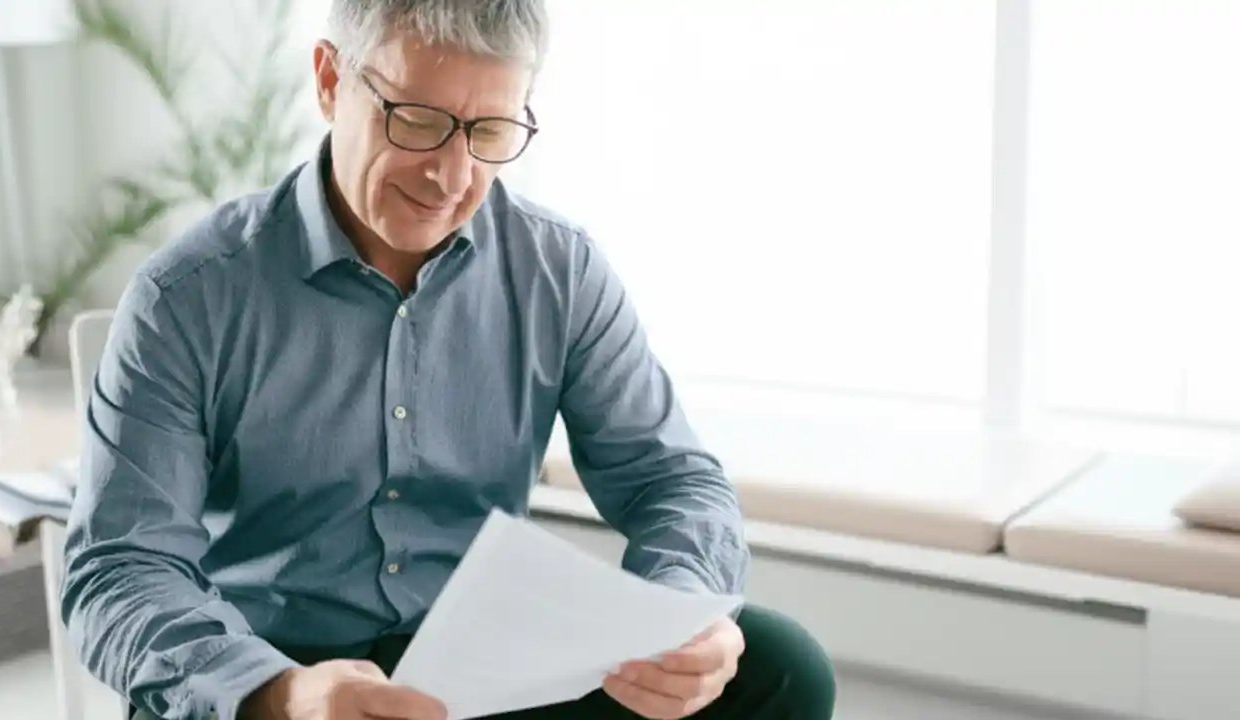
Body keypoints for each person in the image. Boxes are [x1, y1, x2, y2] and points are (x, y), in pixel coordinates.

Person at [61, 1, 836, 718]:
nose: (452, 175)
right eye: (418, 121)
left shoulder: (558, 271)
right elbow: (119, 571)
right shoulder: (188, 295)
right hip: (277, 673)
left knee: (779, 667)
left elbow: (672, 480)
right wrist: (280, 693)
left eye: (490, 132)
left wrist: (682, 613)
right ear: (330, 81)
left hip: (485, 672)